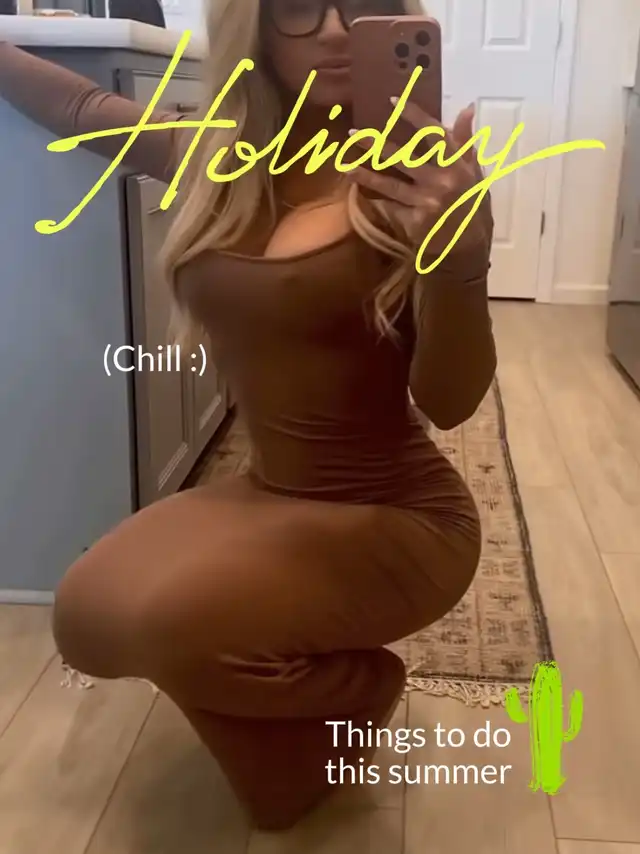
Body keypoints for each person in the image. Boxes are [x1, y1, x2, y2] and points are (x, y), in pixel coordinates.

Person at [0, 0, 496, 832]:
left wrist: (458, 259)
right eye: (299, 6)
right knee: (85, 614)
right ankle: (326, 705)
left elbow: (451, 403)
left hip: (399, 513)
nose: (334, 29)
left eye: (361, 5)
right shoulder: (218, 161)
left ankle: (358, 689)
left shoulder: (417, 186)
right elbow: (80, 105)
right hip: (271, 492)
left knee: (181, 631)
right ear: (254, 30)